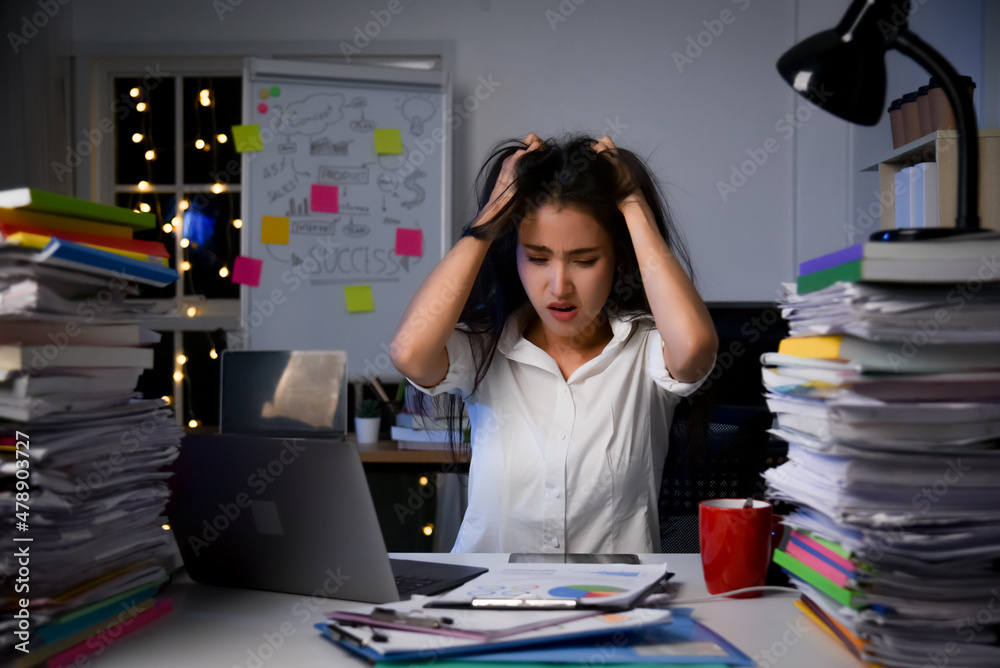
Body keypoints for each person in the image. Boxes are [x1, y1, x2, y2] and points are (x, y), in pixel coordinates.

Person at [390, 133, 718, 553]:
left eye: (584, 260)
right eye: (539, 258)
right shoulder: (485, 349)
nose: (559, 286)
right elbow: (408, 352)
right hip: (488, 603)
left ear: (618, 258)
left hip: (611, 604)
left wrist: (632, 203)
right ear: (516, 255)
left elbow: (695, 349)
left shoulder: (647, 349)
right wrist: (490, 218)